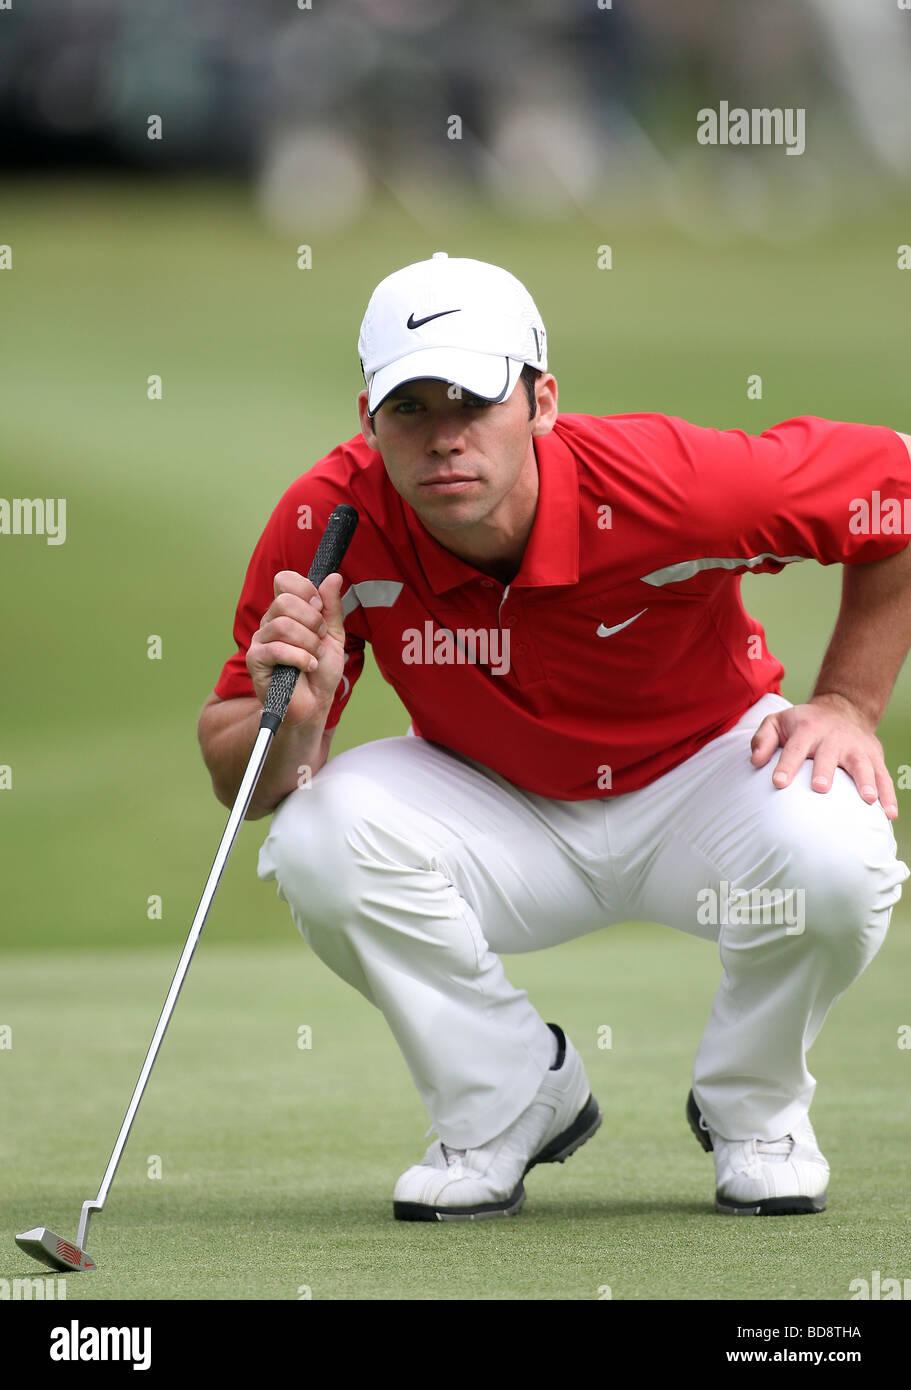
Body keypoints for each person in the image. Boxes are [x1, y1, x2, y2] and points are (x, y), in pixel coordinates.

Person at [198, 252, 911, 1220]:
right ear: (368, 414)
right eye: (411, 408)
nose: (443, 439)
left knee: (839, 847)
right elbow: (236, 768)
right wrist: (300, 723)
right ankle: (503, 1100)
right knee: (315, 836)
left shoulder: (676, 485)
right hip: (491, 802)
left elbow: (893, 494)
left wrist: (846, 704)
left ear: (540, 402)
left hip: (705, 781)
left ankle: (755, 1106)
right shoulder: (327, 520)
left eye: (472, 402)